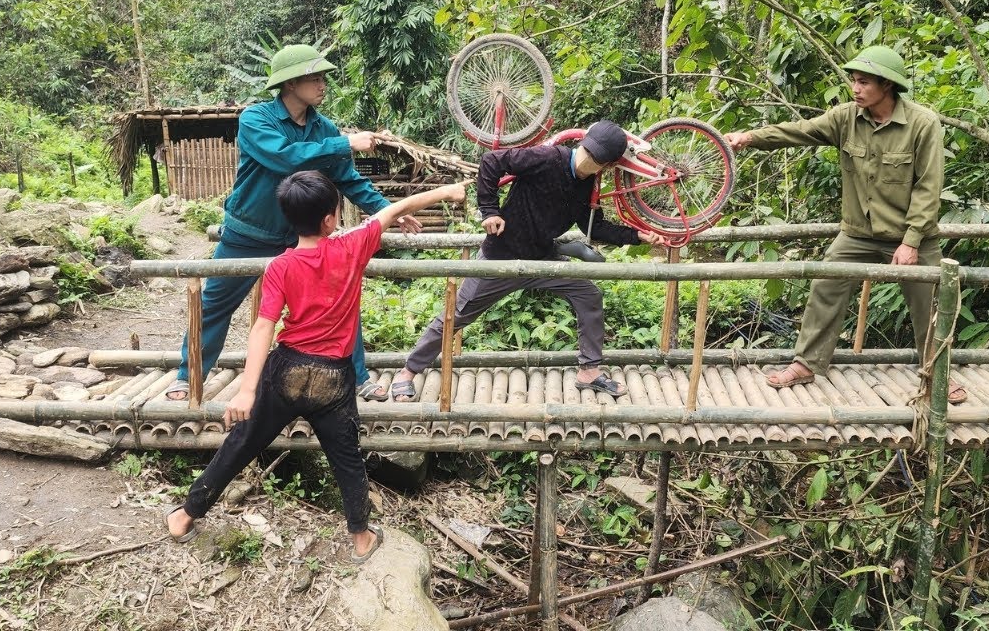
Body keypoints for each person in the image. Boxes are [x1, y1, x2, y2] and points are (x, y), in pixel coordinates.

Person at [165, 171, 471, 560]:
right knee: (346, 457)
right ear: (330, 219)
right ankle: (361, 538)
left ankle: (185, 516)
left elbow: (263, 325)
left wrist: (246, 390)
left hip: (286, 371)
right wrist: (447, 191)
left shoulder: (280, 266)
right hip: (334, 377)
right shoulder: (352, 247)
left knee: (241, 444)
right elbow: (397, 208)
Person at [165, 44, 421, 403]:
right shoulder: (256, 120)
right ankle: (187, 375)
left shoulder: (323, 128)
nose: (323, 85)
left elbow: (348, 179)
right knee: (214, 305)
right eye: (314, 78)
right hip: (247, 233)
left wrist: (389, 210)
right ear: (290, 84)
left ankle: (358, 376)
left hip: (300, 237)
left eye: (323, 77)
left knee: (340, 301)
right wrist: (345, 141)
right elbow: (283, 158)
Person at [723, 45, 966, 404]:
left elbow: (929, 187)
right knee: (826, 285)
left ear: (887, 85)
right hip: (857, 234)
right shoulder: (846, 118)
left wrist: (911, 241)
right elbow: (800, 131)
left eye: (864, 82)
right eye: (853, 80)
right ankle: (806, 363)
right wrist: (751, 137)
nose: (856, 88)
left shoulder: (922, 123)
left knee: (928, 305)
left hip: (912, 236)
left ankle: (938, 375)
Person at [387, 120, 667, 402]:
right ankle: (408, 372)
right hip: (501, 258)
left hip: (542, 259)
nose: (586, 164)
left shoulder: (587, 184)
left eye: (595, 162)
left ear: (606, 167)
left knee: (588, 293)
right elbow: (491, 161)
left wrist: (637, 235)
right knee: (457, 315)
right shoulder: (546, 158)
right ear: (581, 145)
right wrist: (489, 211)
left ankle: (589, 372)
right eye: (587, 154)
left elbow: (592, 228)